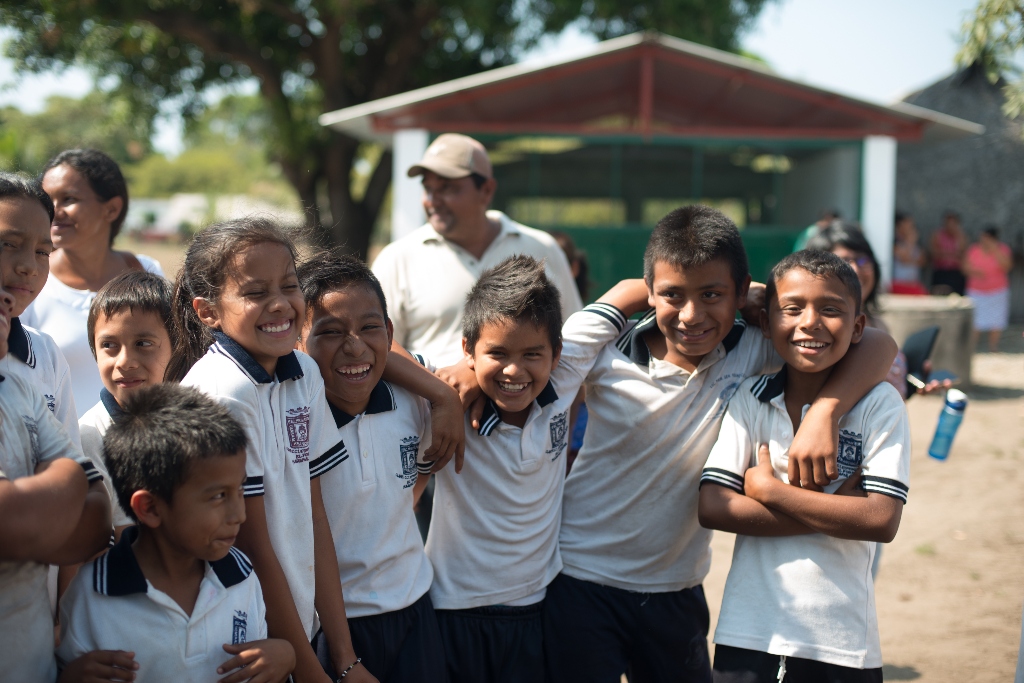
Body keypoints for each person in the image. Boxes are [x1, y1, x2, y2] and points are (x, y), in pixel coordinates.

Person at [541, 205, 899, 683]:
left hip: (679, 587)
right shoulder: (607, 350)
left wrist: (825, 414)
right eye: (673, 295)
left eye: (712, 294)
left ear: (739, 292)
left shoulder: (755, 346)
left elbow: (876, 343)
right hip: (580, 578)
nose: (692, 315)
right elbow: (530, 360)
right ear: (651, 293)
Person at [168, 217, 375, 683]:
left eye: (289, 285)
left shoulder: (302, 370)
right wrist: (311, 673)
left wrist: (344, 659)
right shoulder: (223, 393)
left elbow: (312, 512)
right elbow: (253, 542)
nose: (280, 304)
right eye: (255, 292)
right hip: (246, 642)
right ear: (208, 312)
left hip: (297, 633)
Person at [699, 250, 910, 683]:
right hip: (748, 634)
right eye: (792, 308)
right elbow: (714, 507)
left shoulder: (880, 404)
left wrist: (773, 492)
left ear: (857, 327)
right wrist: (835, 511)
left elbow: (881, 518)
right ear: (765, 320)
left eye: (830, 309)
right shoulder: (751, 397)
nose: (810, 322)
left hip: (842, 643)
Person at [425, 255, 626, 683]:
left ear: (557, 354)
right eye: (496, 353)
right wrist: (441, 393)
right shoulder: (447, 393)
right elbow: (379, 344)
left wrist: (751, 294)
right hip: (452, 610)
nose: (514, 370)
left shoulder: (567, 371)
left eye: (532, 354)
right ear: (467, 350)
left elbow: (632, 288)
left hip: (539, 608)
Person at [56, 383, 296, 683]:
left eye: (239, 490)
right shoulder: (92, 594)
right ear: (150, 508)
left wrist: (284, 657)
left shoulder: (240, 574)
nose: (240, 515)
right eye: (218, 496)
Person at [296, 252, 449, 683]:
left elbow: (472, 375)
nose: (354, 345)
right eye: (329, 331)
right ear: (297, 340)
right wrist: (343, 658)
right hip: (332, 624)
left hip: (415, 609)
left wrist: (446, 397)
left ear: (390, 333)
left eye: (369, 327)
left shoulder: (415, 396)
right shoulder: (291, 416)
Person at [371, 133, 582, 367]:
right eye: (428, 188)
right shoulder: (397, 259)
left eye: (447, 188)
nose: (433, 200)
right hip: (427, 403)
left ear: (487, 190)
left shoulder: (541, 249)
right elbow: (381, 349)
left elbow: (573, 338)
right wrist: (441, 392)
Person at [0, 270, 111, 683]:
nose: (7, 299)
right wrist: (68, 472)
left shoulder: (19, 390)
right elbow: (15, 528)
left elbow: (97, 521)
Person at [23, 149, 165, 417]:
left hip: (138, 440)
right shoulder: (30, 279)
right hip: (61, 449)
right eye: (47, 200)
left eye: (68, 199)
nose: (54, 211)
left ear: (112, 208)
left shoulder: (146, 270)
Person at [79, 270, 175, 538]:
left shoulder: (196, 423)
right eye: (109, 345)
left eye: (143, 343)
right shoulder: (89, 437)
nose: (125, 361)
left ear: (178, 345)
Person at [0, 172, 81, 444]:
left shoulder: (46, 355)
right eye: (8, 244)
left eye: (42, 252)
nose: (29, 267)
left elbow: (76, 473)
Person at [963, 225, 1013, 353]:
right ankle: (972, 347)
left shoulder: (1003, 249)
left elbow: (1007, 266)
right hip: (976, 291)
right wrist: (976, 272)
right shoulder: (974, 249)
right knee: (975, 321)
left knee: (996, 321)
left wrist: (995, 250)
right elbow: (965, 267)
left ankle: (993, 347)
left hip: (997, 291)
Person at [929, 210, 967, 295]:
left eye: (953, 224)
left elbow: (963, 254)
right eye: (948, 223)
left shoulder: (961, 236)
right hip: (941, 272)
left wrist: (946, 253)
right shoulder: (937, 235)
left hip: (956, 273)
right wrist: (952, 254)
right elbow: (934, 254)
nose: (950, 226)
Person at [891, 212, 927, 295]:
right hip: (898, 285)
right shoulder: (894, 242)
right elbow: (904, 259)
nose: (910, 227)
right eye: (907, 224)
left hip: (913, 284)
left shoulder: (917, 245)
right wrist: (910, 241)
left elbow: (923, 261)